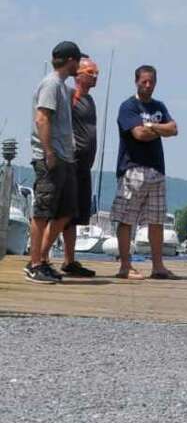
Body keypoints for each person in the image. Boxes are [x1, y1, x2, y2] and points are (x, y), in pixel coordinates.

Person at [112, 65, 179, 280]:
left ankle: (158, 266)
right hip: (133, 169)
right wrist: (160, 129)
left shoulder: (159, 105)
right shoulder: (128, 106)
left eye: (151, 82)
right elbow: (138, 134)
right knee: (126, 219)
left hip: (156, 169)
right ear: (136, 81)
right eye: (144, 82)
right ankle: (125, 266)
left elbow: (174, 129)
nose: (148, 85)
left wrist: (152, 126)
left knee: (157, 220)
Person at [24, 41, 83, 283]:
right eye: (78, 61)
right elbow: (42, 119)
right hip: (51, 157)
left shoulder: (62, 87)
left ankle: (44, 258)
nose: (79, 66)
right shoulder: (50, 84)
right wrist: (49, 152)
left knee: (65, 211)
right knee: (42, 212)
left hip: (64, 159)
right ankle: (34, 263)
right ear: (71, 60)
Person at [58, 56, 102, 277]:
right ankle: (44, 258)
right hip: (72, 162)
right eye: (90, 72)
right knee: (64, 212)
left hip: (85, 165)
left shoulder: (90, 100)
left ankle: (70, 260)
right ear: (79, 74)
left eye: (96, 73)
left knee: (76, 215)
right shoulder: (70, 96)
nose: (95, 77)